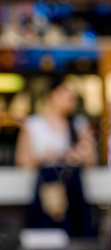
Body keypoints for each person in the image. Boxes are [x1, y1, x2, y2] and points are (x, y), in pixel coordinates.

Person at [15, 75, 97, 236]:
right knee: (47, 232)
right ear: (51, 96)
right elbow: (22, 160)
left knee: (76, 232)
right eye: (65, 94)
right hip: (47, 189)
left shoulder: (78, 124)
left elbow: (91, 159)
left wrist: (77, 154)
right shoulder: (34, 124)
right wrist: (45, 156)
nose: (70, 100)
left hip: (73, 187)